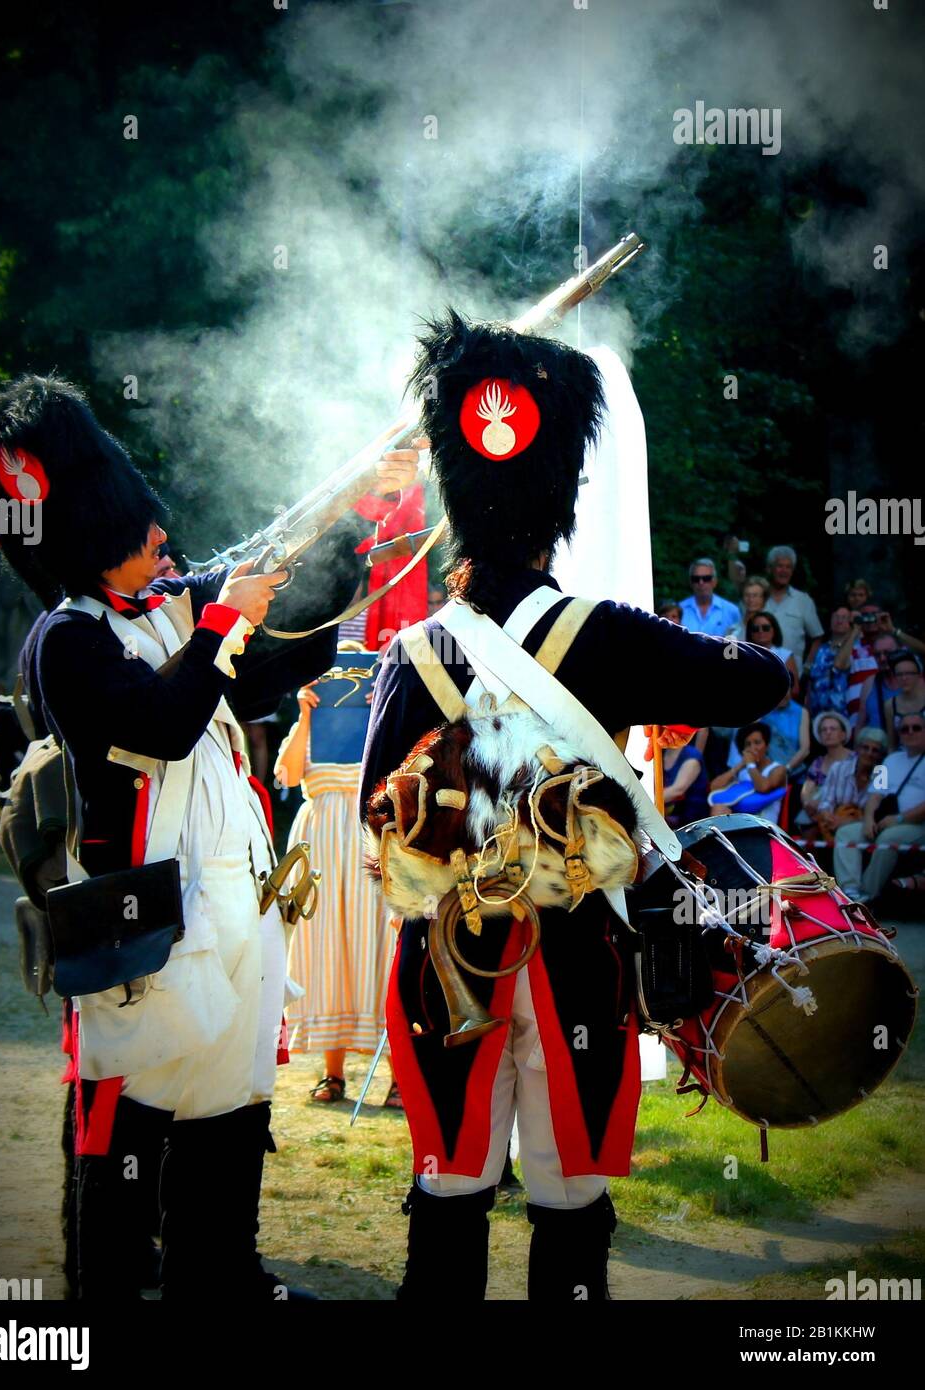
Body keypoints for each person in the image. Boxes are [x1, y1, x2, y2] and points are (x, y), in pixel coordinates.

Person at [0, 372, 417, 1300]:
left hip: (231, 911)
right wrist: (221, 621)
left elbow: (287, 642)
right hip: (139, 928)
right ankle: (108, 1289)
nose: (163, 536)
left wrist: (357, 514)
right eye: (141, 529)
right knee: (127, 1127)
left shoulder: (170, 609)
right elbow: (161, 724)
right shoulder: (66, 640)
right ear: (95, 538)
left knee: (229, 1105)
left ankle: (220, 1274)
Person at [358, 310, 789, 1302]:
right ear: (561, 500)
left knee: (452, 1192)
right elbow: (758, 677)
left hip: (446, 964)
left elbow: (379, 820)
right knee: (568, 1199)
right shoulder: (606, 636)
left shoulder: (413, 652)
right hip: (573, 959)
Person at [274, 659, 399, 1109]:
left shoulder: (381, 721)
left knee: (378, 947)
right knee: (327, 947)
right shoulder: (309, 719)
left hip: (370, 835)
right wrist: (305, 714)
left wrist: (378, 711)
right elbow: (286, 776)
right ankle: (333, 1074)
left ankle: (398, 1075)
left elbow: (401, 772)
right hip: (322, 836)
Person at [833, 712, 925, 905]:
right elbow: (875, 795)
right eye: (904, 729)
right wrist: (868, 820)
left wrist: (899, 819)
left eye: (916, 728)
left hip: (916, 825)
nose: (910, 732)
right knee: (846, 834)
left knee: (887, 839)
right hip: (885, 820)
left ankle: (867, 896)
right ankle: (850, 892)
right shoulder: (890, 760)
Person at [812, 727, 887, 843]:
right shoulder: (838, 769)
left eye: (875, 750)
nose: (869, 753)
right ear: (857, 749)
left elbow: (877, 814)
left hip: (863, 827)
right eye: (865, 748)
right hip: (833, 822)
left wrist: (847, 821)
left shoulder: (881, 774)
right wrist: (828, 816)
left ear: (881, 755)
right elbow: (826, 802)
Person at [805, 606, 876, 723]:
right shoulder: (821, 649)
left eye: (844, 617)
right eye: (836, 617)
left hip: (842, 714)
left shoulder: (857, 647)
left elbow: (840, 665)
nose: (839, 620)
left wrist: (855, 630)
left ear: (850, 622)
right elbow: (810, 682)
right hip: (817, 715)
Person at [709, 722, 788, 821]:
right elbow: (714, 787)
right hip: (740, 822)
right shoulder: (743, 770)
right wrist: (740, 765)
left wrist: (750, 764)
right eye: (748, 744)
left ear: (766, 745)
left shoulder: (778, 769)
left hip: (764, 827)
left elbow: (763, 788)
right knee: (718, 809)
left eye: (757, 742)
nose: (752, 748)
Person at [764, 545, 824, 673]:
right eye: (780, 566)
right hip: (760, 672)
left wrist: (808, 667)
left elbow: (817, 637)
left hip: (793, 676)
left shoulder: (803, 600)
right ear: (770, 569)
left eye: (788, 567)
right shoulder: (757, 598)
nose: (784, 571)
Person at [799, 710, 854, 824]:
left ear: (843, 735)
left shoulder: (854, 759)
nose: (828, 732)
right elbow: (807, 790)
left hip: (846, 810)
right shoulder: (818, 763)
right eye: (824, 729)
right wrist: (808, 803)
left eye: (833, 729)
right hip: (818, 812)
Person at [744, 610, 799, 698]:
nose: (760, 631)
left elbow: (795, 689)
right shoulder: (744, 655)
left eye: (765, 628)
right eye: (755, 629)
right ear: (750, 633)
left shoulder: (786, 655)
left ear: (774, 630)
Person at [678, 558, 740, 636]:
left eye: (706, 578)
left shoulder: (731, 611)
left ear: (715, 582)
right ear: (691, 582)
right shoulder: (680, 609)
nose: (701, 583)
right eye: (696, 579)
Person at [661, 738, 710, 827]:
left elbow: (677, 791)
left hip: (692, 823)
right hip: (668, 816)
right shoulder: (660, 753)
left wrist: (645, 801)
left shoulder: (692, 756)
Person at [883, 650, 925, 751]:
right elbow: (892, 743)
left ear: (919, 675)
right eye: (899, 674)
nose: (904, 678)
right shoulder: (890, 705)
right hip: (904, 755)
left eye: (909, 674)